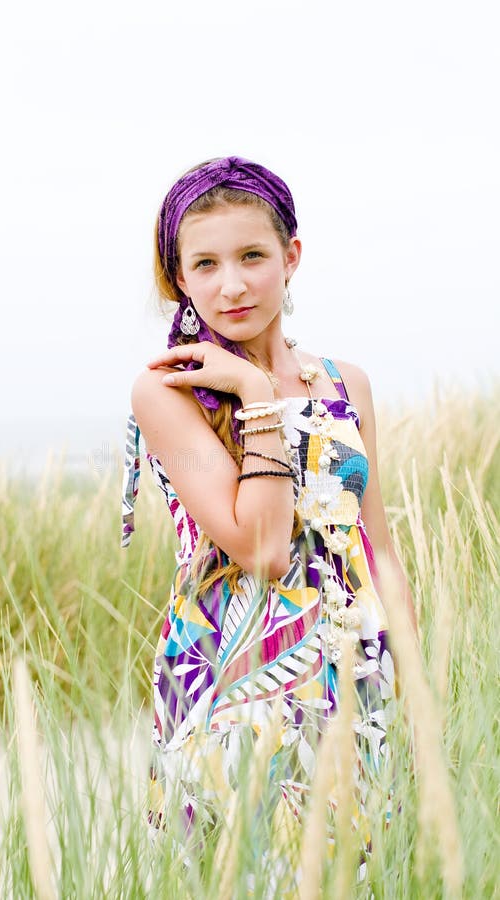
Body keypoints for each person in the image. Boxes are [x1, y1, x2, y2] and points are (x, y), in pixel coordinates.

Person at [121, 156, 416, 877]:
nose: (233, 283)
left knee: (362, 871)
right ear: (180, 280)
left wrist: (415, 677)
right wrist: (255, 392)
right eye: (207, 263)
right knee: (246, 872)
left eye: (253, 255)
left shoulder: (349, 383)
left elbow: (375, 541)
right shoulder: (170, 393)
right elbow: (260, 546)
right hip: (234, 667)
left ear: (291, 258)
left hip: (355, 663)